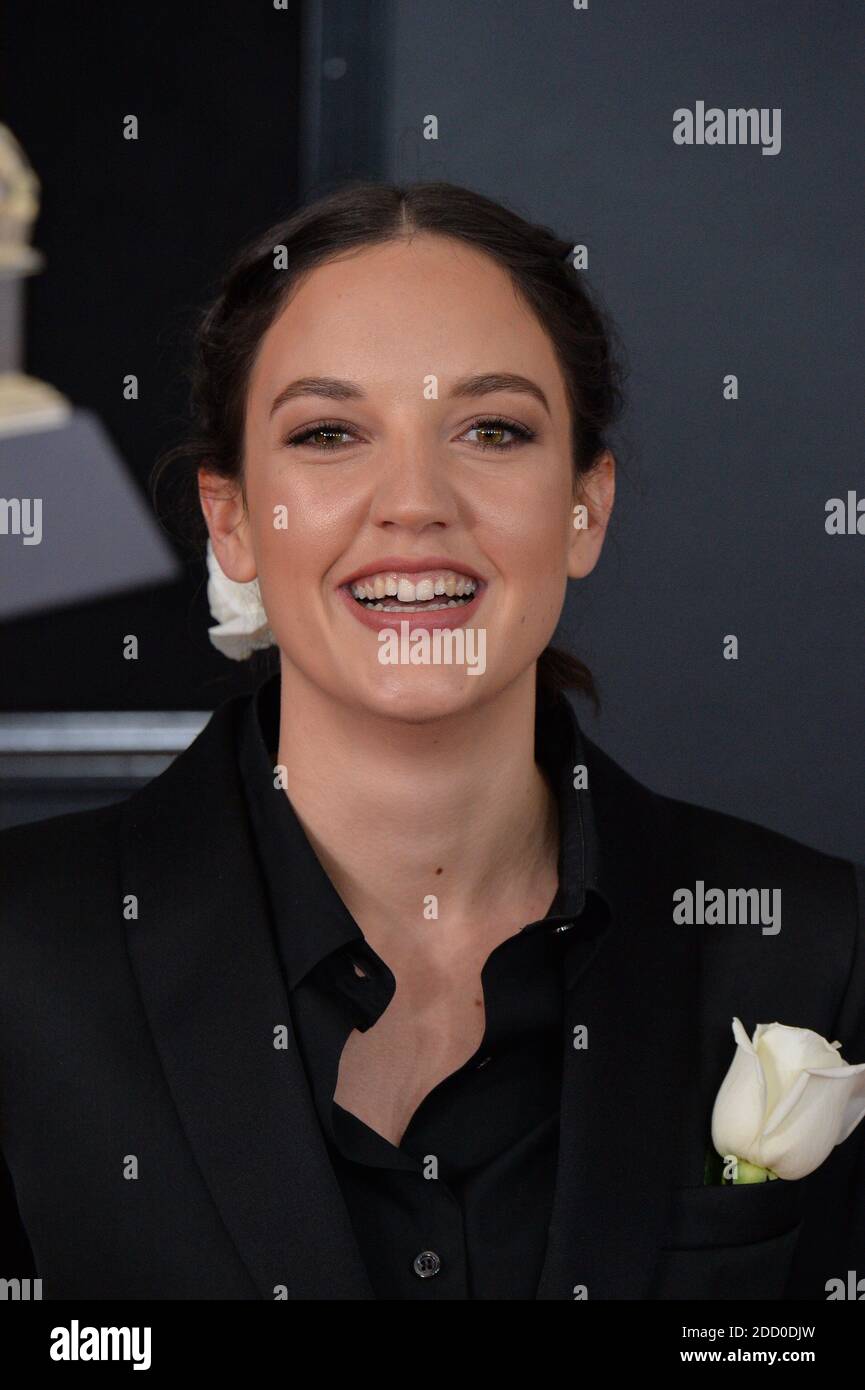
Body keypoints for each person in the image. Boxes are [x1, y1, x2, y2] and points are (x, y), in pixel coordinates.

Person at [1, 181, 863, 1301]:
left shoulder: (814, 949)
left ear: (584, 507)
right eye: (328, 432)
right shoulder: (21, 957)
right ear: (232, 518)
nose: (413, 502)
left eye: (491, 429)